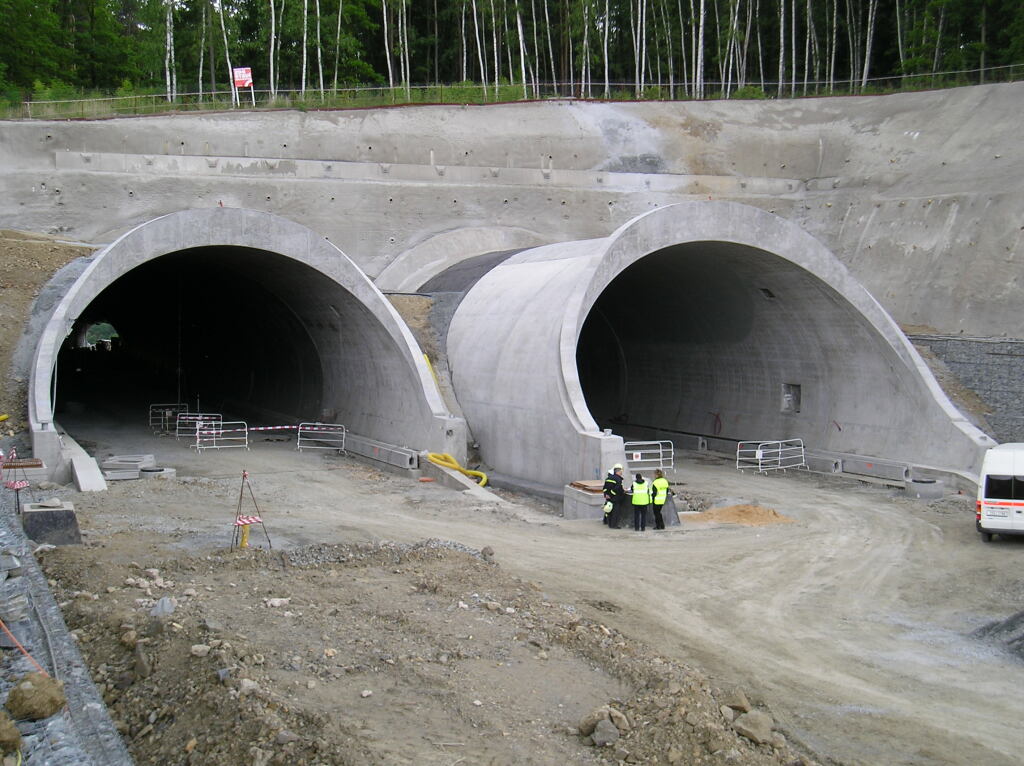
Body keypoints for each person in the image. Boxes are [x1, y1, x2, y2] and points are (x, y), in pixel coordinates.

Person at [602, 463, 626, 529]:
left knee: (609, 512)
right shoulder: (618, 479)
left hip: (608, 498)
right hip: (615, 499)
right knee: (616, 512)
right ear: (618, 471)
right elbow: (617, 489)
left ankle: (610, 524)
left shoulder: (608, 478)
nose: (622, 473)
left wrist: (606, 495)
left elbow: (604, 488)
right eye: (621, 471)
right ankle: (614, 525)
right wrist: (623, 491)